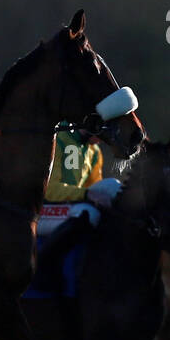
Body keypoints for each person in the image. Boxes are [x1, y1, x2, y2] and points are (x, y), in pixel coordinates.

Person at [33, 122, 123, 287]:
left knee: (113, 187)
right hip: (41, 211)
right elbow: (49, 191)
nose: (104, 140)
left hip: (68, 208)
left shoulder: (94, 151)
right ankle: (44, 271)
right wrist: (86, 195)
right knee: (87, 213)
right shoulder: (60, 139)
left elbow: (95, 188)